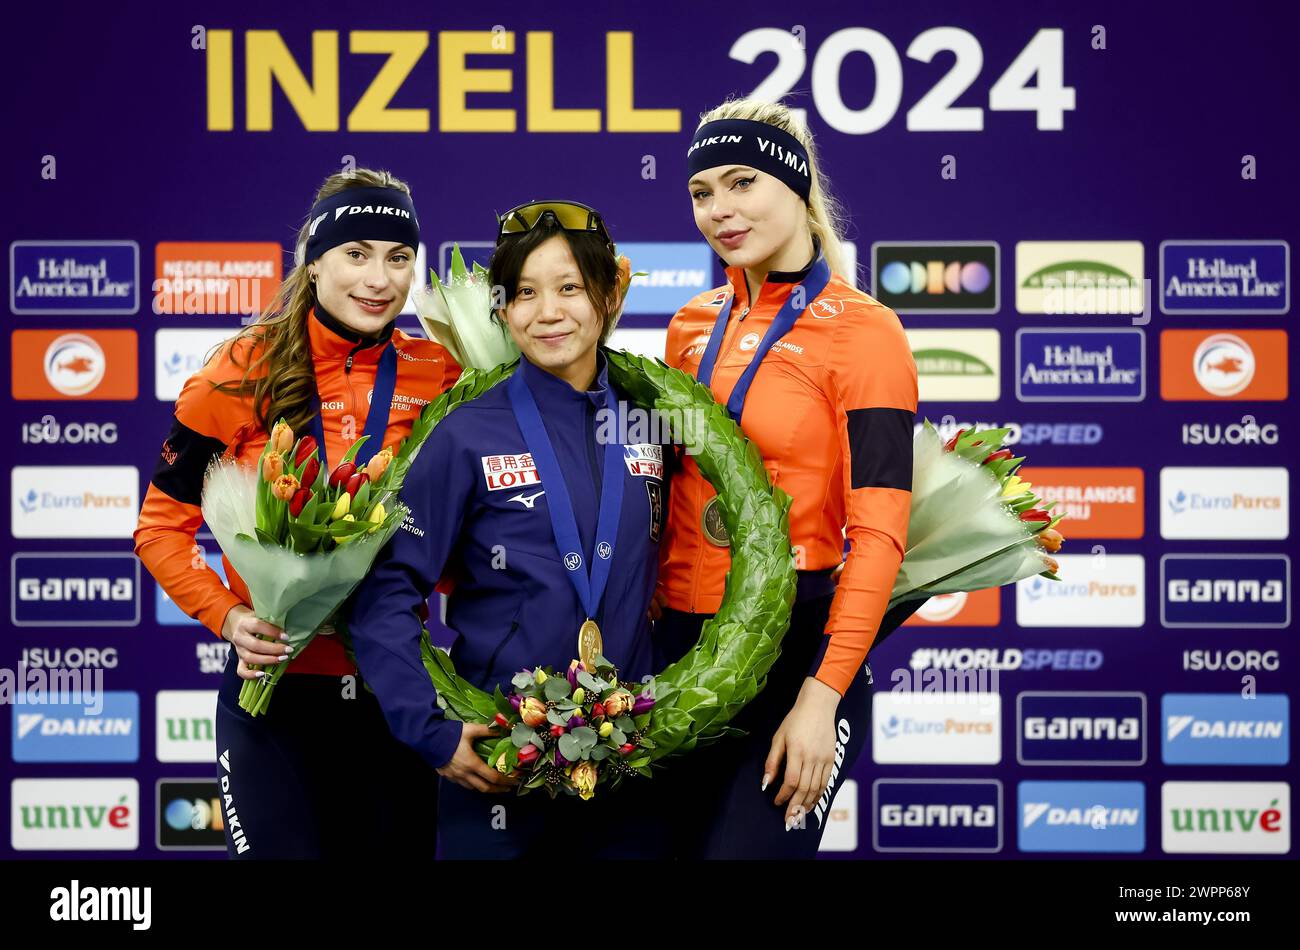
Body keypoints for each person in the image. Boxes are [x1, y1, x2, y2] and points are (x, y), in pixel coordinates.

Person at [134, 169, 462, 859]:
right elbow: (161, 528)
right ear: (314, 261)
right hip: (275, 698)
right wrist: (227, 616)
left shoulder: (440, 372)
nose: (380, 277)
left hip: (396, 692)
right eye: (357, 253)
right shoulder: (238, 369)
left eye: (398, 257)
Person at [346, 201, 672, 859]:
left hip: (631, 772)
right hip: (498, 766)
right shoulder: (467, 433)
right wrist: (431, 733)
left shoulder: (655, 423)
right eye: (523, 293)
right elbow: (385, 593)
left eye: (569, 288)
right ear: (501, 309)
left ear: (610, 295)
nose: (547, 312)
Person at [652, 98, 919, 858]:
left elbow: (877, 535)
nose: (720, 210)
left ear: (796, 189)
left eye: (742, 184)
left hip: (793, 651)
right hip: (677, 646)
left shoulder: (866, 333)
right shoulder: (689, 325)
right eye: (702, 192)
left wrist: (822, 694)